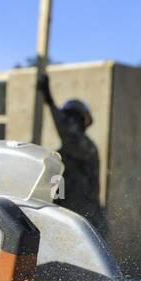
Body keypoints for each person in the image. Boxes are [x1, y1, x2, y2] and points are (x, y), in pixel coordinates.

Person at [37, 71, 107, 237]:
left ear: (83, 123)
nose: (70, 123)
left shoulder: (87, 149)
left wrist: (50, 102)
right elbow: (57, 190)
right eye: (68, 118)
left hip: (88, 227)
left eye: (75, 119)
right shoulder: (59, 157)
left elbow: (70, 136)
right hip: (66, 224)